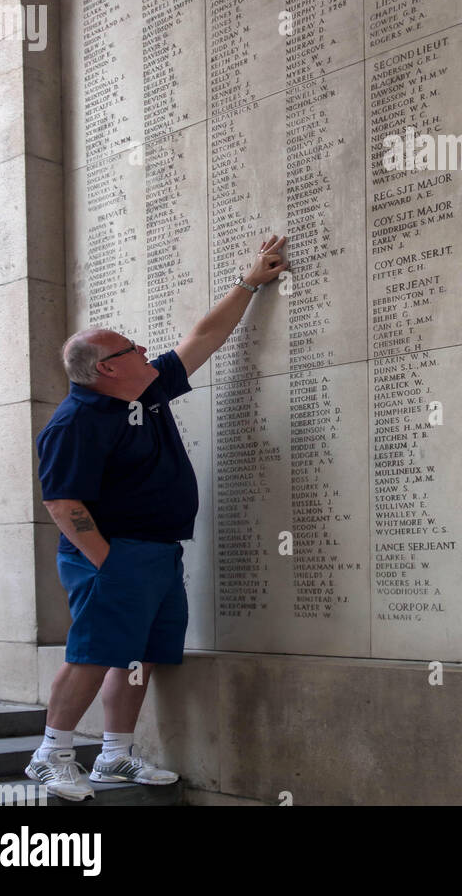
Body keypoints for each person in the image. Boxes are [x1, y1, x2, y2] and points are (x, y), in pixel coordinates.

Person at [25, 233, 290, 800]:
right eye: (130, 350)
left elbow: (204, 337)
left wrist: (250, 281)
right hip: (112, 554)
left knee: (139, 654)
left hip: (158, 550)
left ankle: (115, 756)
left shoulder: (144, 390)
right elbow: (63, 503)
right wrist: (109, 564)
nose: (145, 351)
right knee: (94, 652)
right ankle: (51, 753)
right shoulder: (76, 422)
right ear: (103, 371)